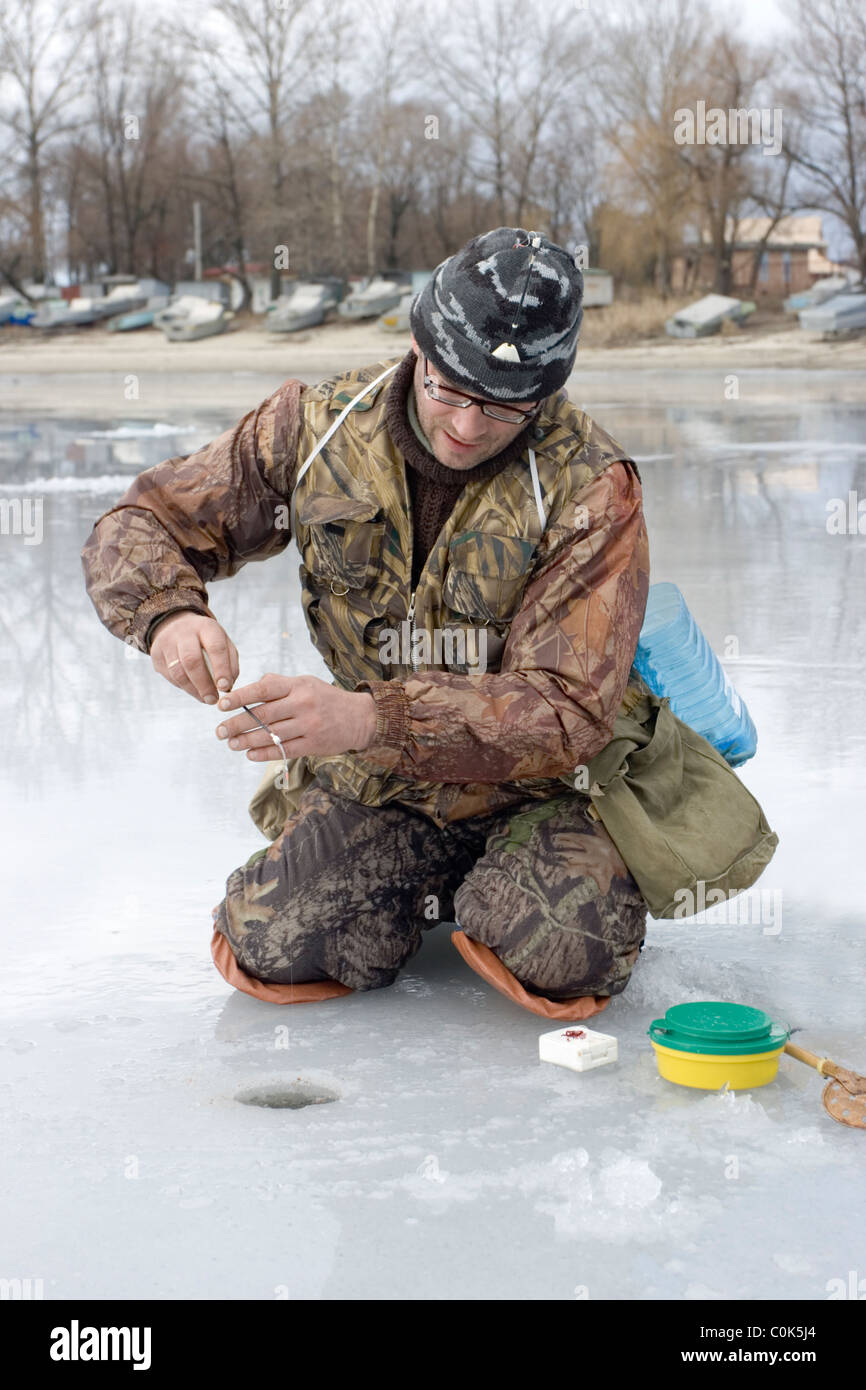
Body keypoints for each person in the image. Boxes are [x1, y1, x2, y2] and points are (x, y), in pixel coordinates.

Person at [81, 226, 654, 1021]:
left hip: (542, 796)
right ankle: (425, 894)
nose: (465, 425)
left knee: (563, 946)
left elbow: (566, 710)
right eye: (449, 388)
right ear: (419, 347)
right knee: (266, 942)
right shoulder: (315, 428)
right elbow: (142, 521)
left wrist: (365, 717)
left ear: (545, 396)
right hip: (384, 787)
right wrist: (169, 614)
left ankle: (514, 894)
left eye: (502, 407)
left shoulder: (591, 487)